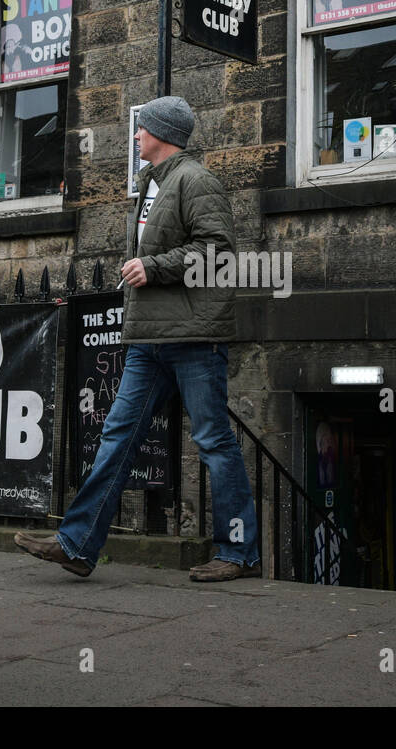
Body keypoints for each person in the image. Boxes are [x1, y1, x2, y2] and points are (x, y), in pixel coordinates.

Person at [16, 95, 261, 581]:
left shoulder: (197, 180)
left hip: (193, 337)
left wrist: (154, 266)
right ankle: (79, 545)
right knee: (117, 436)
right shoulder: (151, 184)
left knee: (213, 442)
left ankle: (239, 553)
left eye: (142, 128)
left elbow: (217, 252)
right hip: (149, 338)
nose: (135, 136)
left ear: (163, 133)